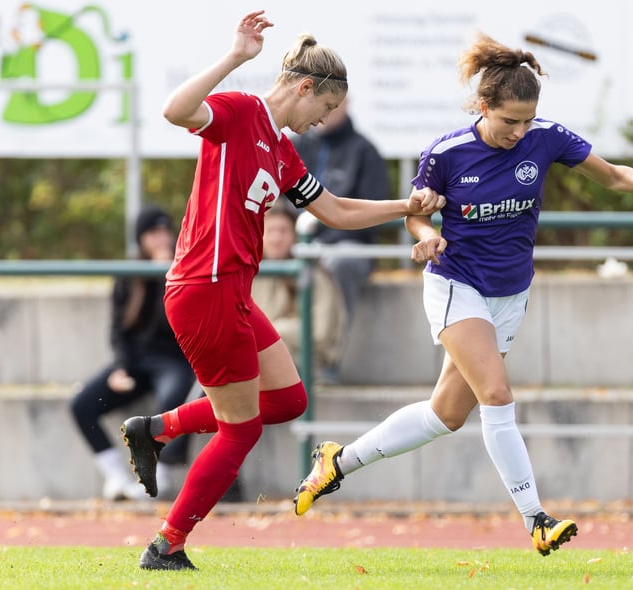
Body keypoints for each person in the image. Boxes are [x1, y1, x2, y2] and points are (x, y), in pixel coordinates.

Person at [292, 32, 633, 557]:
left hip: (511, 292)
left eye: (527, 120)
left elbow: (612, 175)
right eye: (508, 122)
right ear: (483, 106)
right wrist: (428, 239)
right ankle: (537, 519)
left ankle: (338, 462)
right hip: (457, 284)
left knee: (444, 415)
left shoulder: (545, 137)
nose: (519, 132)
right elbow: (416, 213)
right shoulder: (447, 153)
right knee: (496, 396)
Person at [118, 11, 444, 571]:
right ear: (304, 87)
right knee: (240, 430)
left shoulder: (284, 151)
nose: (321, 122)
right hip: (206, 290)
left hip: (233, 294)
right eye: (323, 109)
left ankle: (158, 429)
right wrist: (236, 57)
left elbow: (336, 211)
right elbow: (174, 111)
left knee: (289, 400)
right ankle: (165, 546)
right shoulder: (242, 111)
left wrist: (405, 207)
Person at [69, 204, 196, 502]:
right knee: (83, 404)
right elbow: (119, 329)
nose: (161, 239)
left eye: (165, 231)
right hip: (137, 362)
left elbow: (175, 323)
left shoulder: (182, 268)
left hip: (172, 359)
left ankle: (158, 473)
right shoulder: (128, 274)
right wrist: (121, 367)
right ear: (141, 238)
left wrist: (165, 276)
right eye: (153, 233)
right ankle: (115, 475)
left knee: (172, 400)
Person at [291, 98, 391, 383]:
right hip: (293, 242)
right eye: (320, 102)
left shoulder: (365, 151)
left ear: (346, 104)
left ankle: (326, 359)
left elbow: (372, 215)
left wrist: (322, 243)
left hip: (345, 246)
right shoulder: (296, 145)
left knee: (341, 261)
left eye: (331, 104)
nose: (323, 112)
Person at [253, 203, 346, 374]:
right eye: (270, 231)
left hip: (304, 361)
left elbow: (321, 332)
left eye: (283, 231)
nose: (276, 238)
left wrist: (273, 333)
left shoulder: (315, 275)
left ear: (295, 235)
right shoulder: (251, 273)